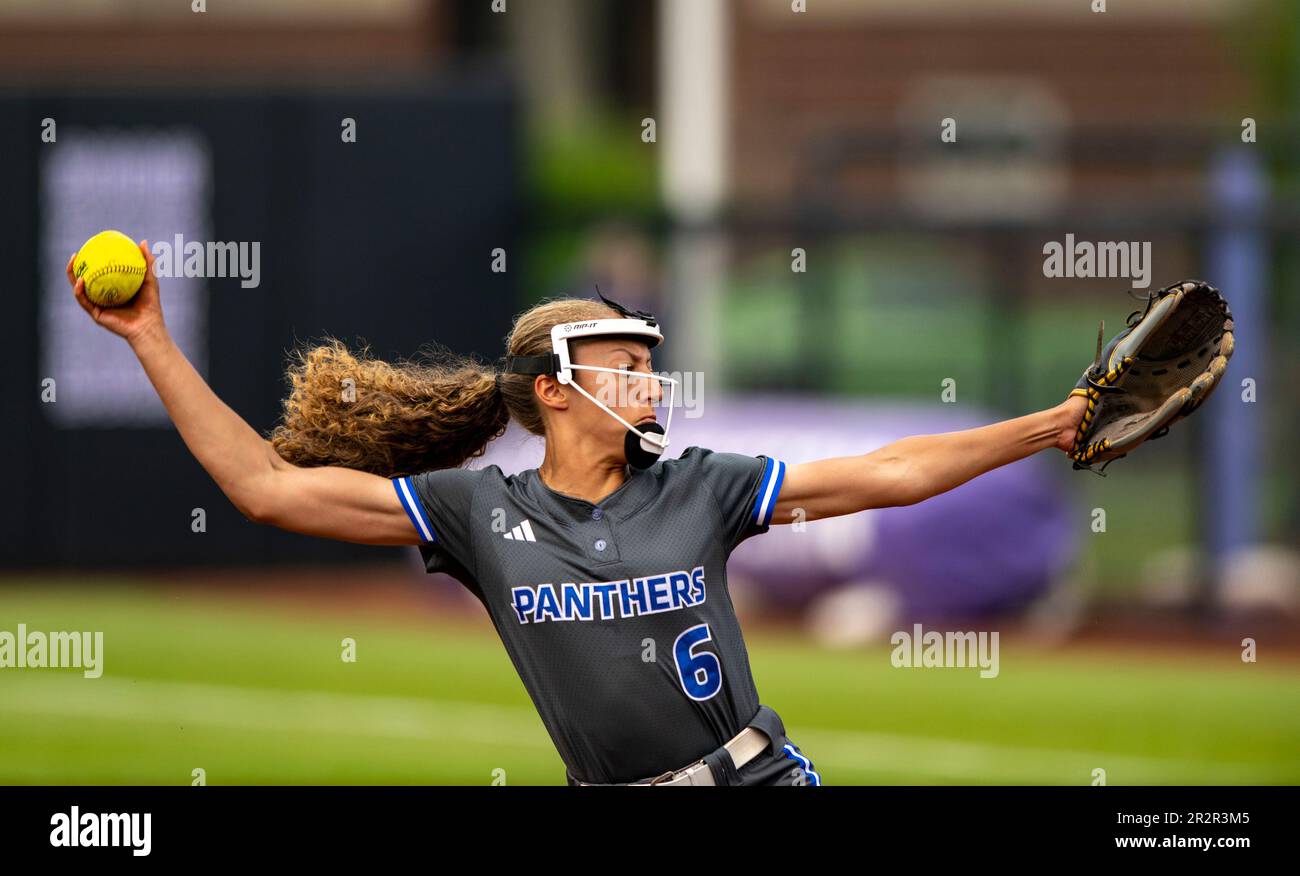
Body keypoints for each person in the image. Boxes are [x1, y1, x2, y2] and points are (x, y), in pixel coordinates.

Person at [68, 240, 1088, 786]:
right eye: (628, 368)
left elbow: (892, 472)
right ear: (555, 391)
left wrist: (1048, 423)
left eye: (652, 364)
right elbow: (268, 489)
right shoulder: (478, 511)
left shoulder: (703, 484)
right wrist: (149, 336)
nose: (653, 383)